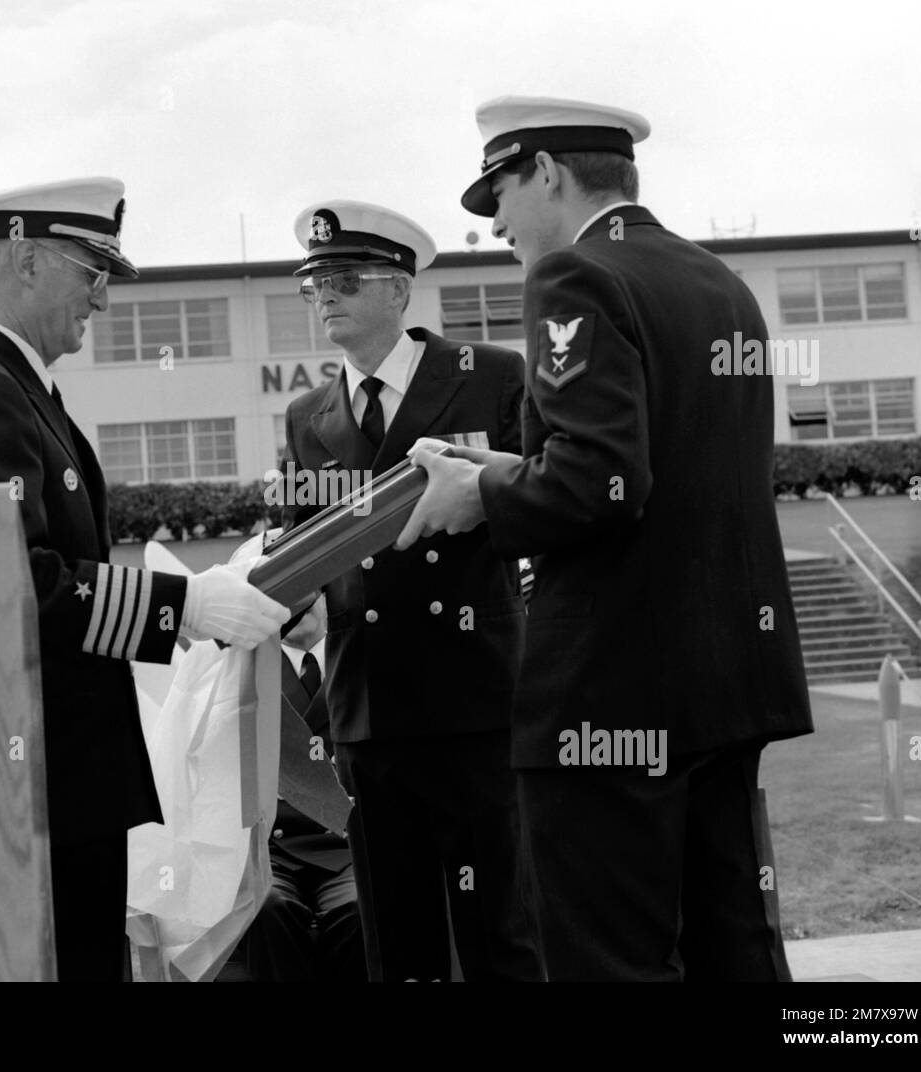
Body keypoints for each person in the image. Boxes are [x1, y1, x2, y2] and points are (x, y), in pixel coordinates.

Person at [397, 98, 813, 980]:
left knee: (607, 960)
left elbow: (598, 482)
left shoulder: (575, 278)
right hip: (728, 682)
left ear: (547, 171)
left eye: (499, 192)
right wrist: (512, 467)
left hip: (612, 696)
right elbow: (657, 466)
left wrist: (481, 492)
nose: (496, 223)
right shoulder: (718, 282)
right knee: (734, 947)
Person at [0, 177, 288, 981]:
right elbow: (14, 585)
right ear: (26, 259)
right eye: (91, 270)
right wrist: (184, 605)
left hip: (65, 783)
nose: (103, 299)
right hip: (32, 789)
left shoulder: (16, 391)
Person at [279, 200, 542, 982]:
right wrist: (286, 602)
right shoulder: (308, 417)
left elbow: (539, 505)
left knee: (502, 930)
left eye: (344, 278)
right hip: (371, 711)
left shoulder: (489, 378)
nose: (325, 294)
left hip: (477, 701)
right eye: (314, 283)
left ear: (398, 290)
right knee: (396, 938)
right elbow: (308, 550)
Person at [230, 594, 366, 982]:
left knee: (360, 909)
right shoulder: (246, 672)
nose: (299, 604)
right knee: (265, 907)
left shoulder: (358, 659)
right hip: (272, 846)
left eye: (310, 593)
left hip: (349, 844)